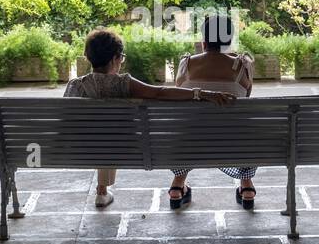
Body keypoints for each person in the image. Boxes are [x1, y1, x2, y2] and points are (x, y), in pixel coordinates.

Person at [64, 28, 234, 207]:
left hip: (80, 149)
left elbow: (67, 121)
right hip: (127, 149)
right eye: (121, 57)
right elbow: (160, 92)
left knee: (101, 132)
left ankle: (102, 191)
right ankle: (102, 190)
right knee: (110, 135)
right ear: (115, 58)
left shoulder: (75, 85)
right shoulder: (123, 83)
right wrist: (201, 94)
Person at [168, 12, 258, 210]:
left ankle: (177, 185)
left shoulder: (187, 64)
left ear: (204, 40)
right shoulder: (243, 66)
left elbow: (179, 94)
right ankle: (246, 187)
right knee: (244, 127)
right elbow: (246, 97)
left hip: (190, 142)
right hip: (232, 143)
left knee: (188, 125)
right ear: (229, 40)